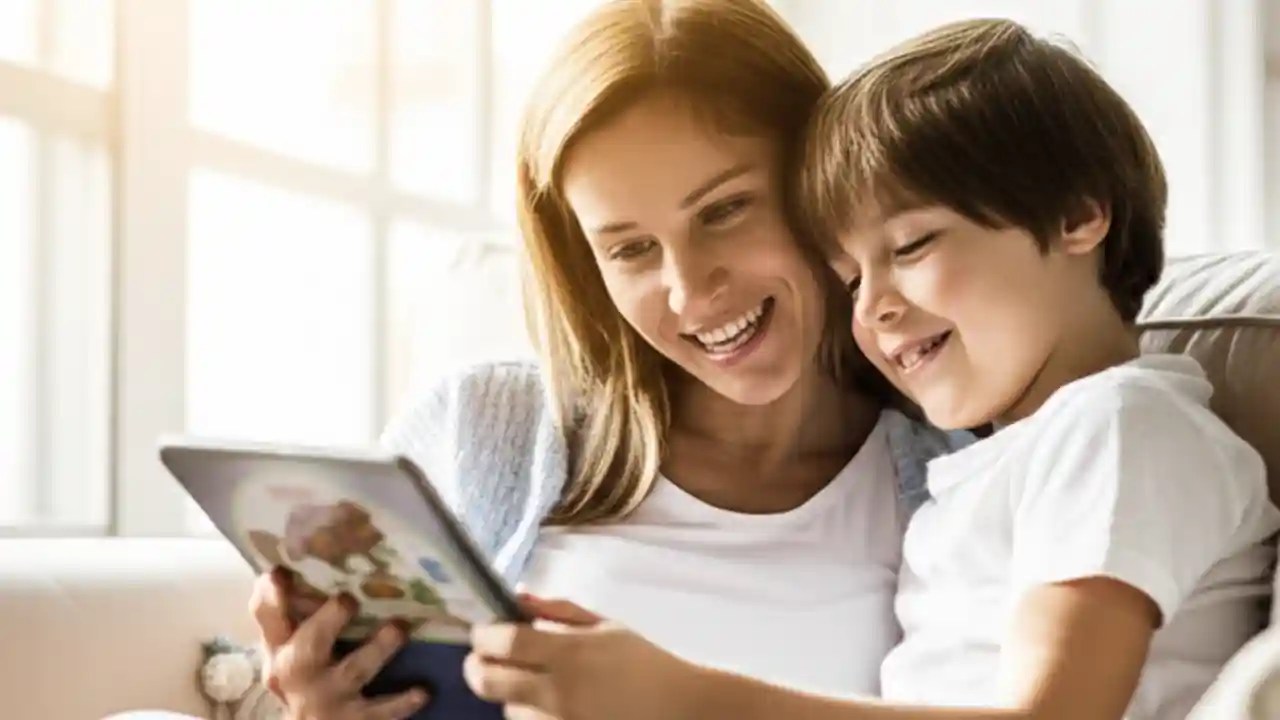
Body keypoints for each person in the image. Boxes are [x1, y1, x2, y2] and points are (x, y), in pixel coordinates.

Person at [463, 18, 1280, 720]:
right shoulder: (1000, 470)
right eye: (850, 278)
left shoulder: (1121, 428)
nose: (874, 308)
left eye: (912, 246)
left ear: (1077, 214)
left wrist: (685, 698)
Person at [238, 2, 968, 719]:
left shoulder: (957, 472)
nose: (689, 291)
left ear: (821, 178)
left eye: (724, 210)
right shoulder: (482, 429)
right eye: (631, 249)